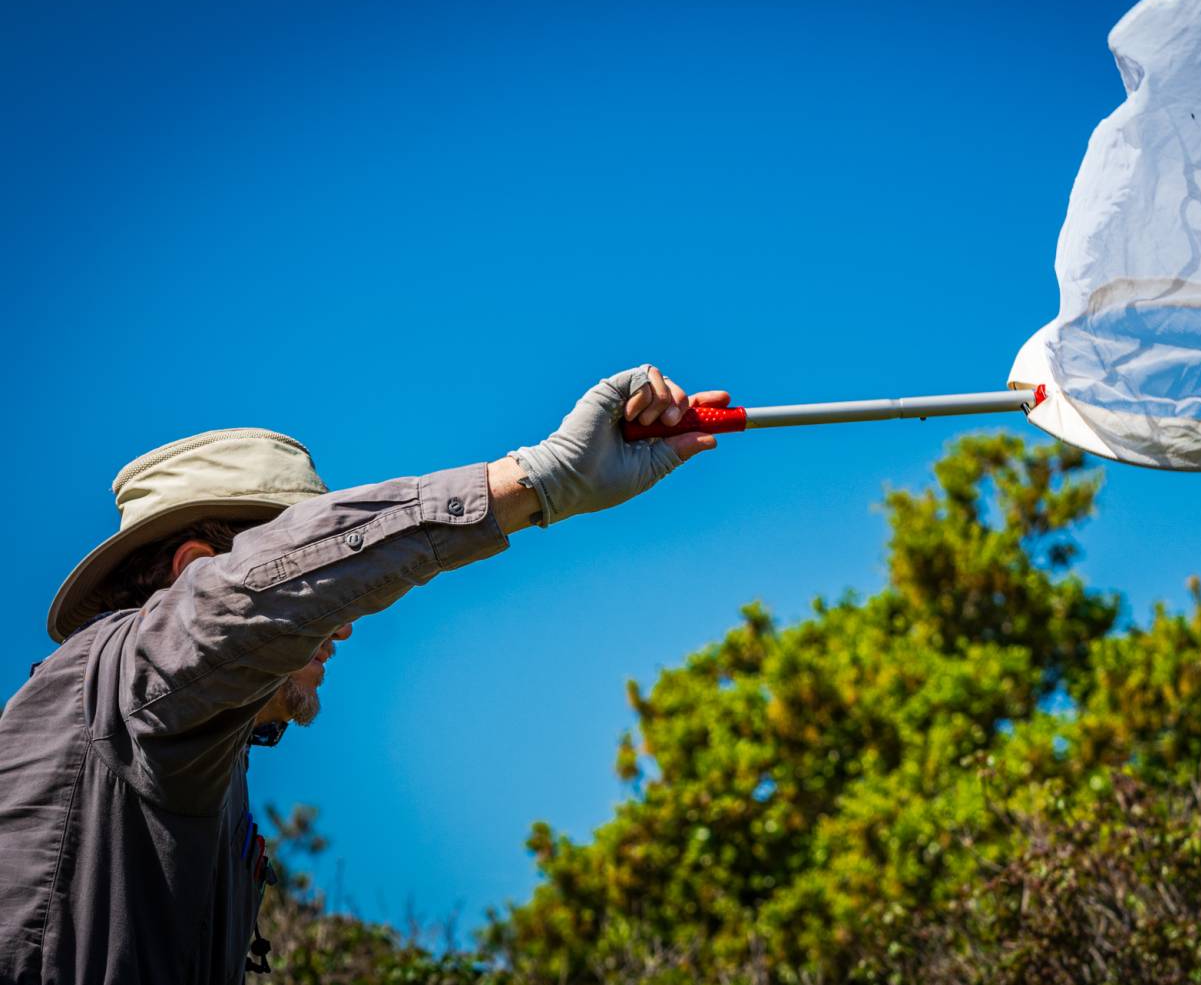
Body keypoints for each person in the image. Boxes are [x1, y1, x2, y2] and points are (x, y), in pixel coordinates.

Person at [0, 365, 724, 984]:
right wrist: (543, 478)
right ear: (194, 571)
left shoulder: (184, 747)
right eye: (324, 585)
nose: (342, 622)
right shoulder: (131, 675)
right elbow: (250, 591)